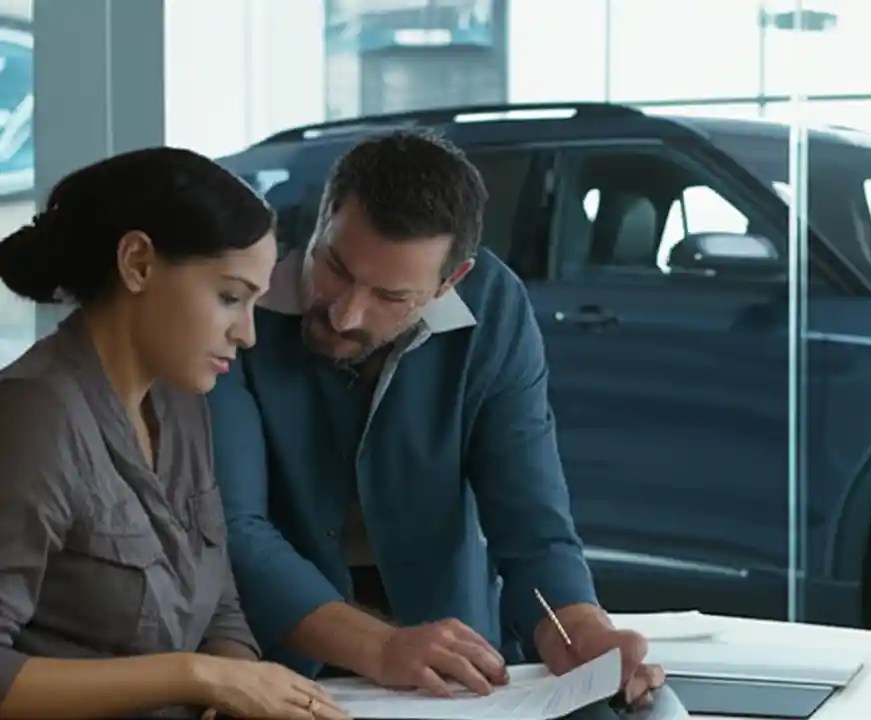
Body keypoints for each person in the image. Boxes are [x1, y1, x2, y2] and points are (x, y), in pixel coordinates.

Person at [207, 130, 665, 704]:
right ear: (323, 218)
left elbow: (530, 525)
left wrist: (582, 632)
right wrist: (378, 647)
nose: (348, 313)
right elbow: (234, 528)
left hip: (452, 675)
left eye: (392, 297)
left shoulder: (493, 307)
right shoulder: (242, 293)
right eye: (337, 269)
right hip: (281, 661)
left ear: (450, 283)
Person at [0, 147, 348, 720]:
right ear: (137, 263)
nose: (248, 335)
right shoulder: (35, 418)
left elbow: (219, 603)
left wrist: (235, 685)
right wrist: (199, 677)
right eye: (230, 298)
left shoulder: (181, 403)